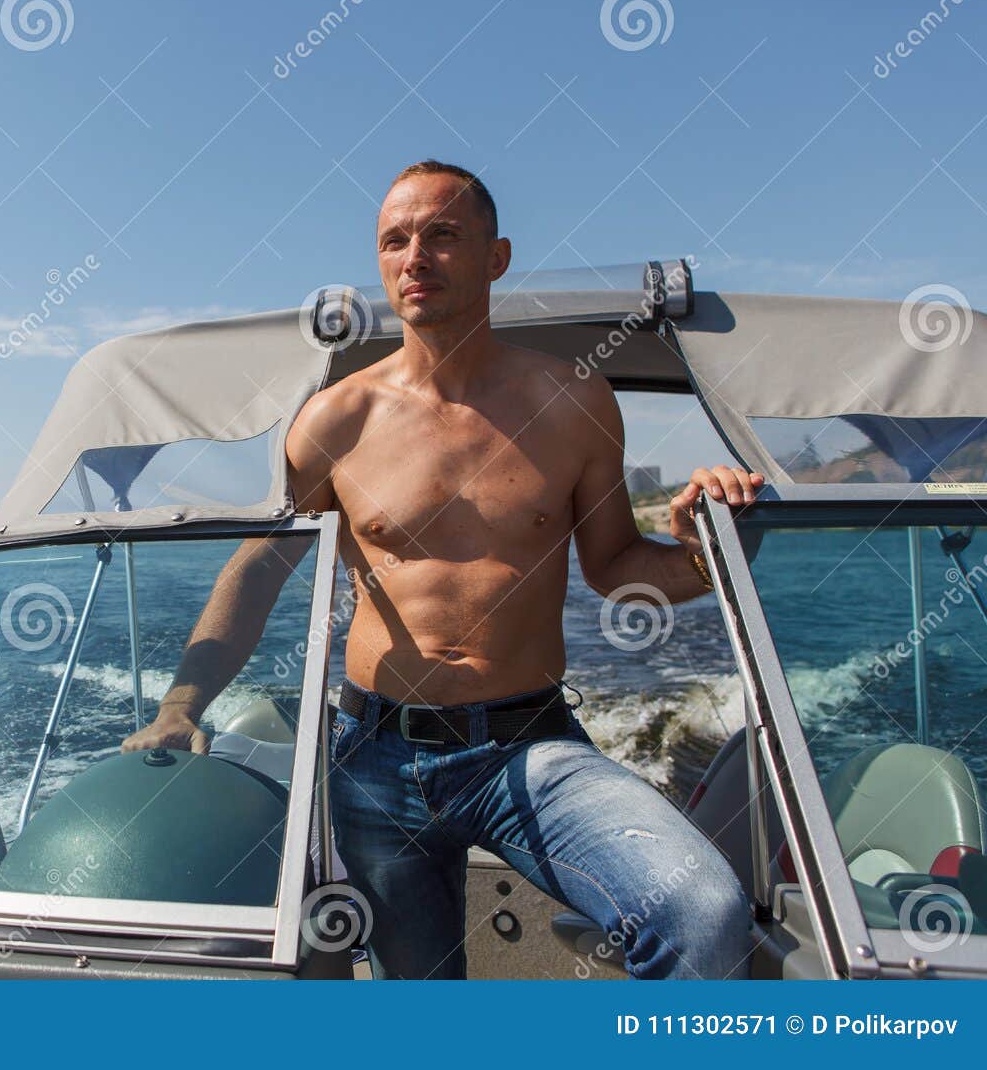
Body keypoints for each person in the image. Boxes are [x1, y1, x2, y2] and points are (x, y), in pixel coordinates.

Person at [123, 159, 763, 979]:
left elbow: (615, 566)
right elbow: (261, 567)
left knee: (700, 912)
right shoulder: (334, 420)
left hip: (525, 747)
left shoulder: (573, 400)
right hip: (372, 759)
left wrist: (708, 556)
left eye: (441, 235)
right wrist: (180, 706)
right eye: (394, 240)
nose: (413, 256)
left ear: (495, 257)